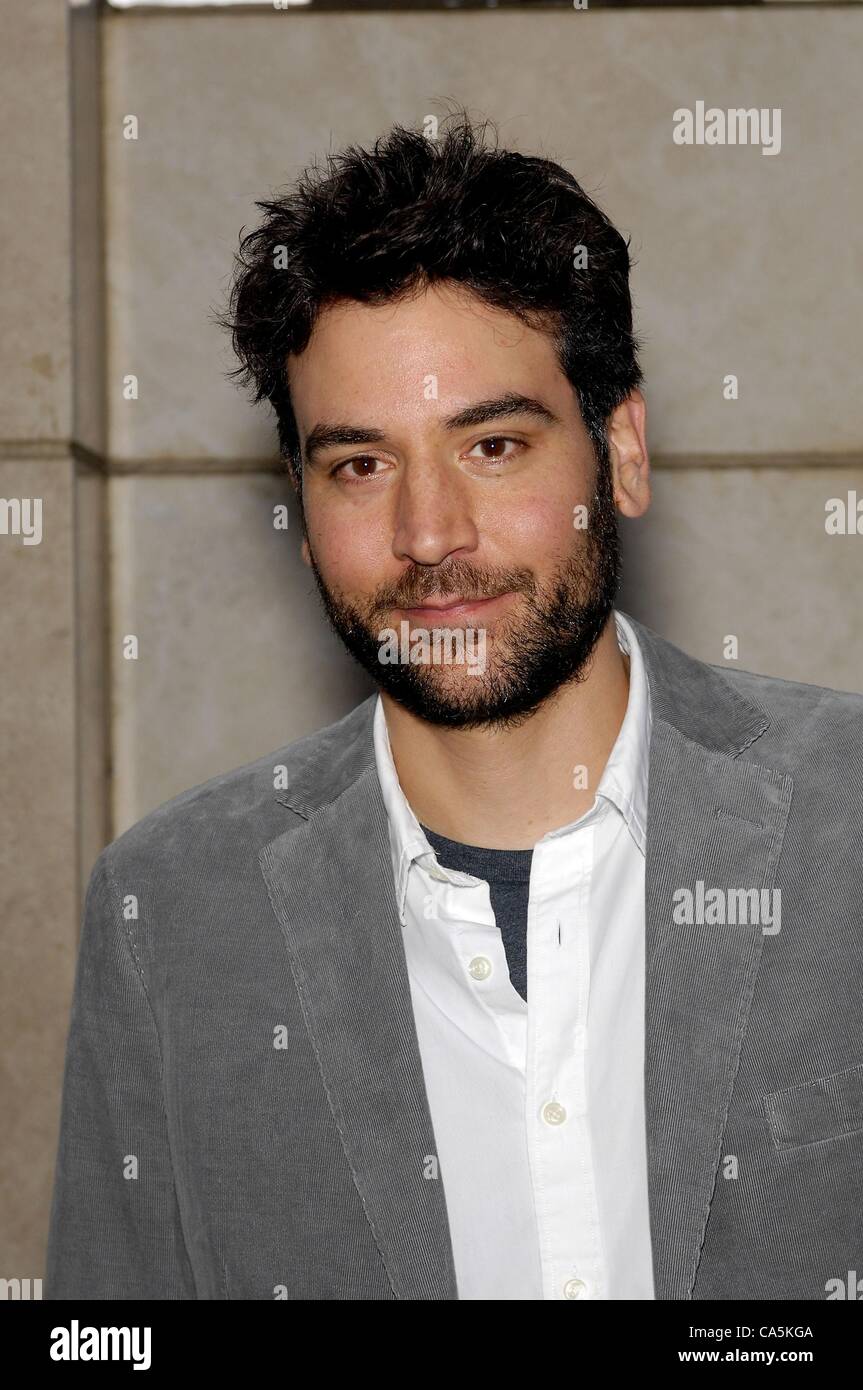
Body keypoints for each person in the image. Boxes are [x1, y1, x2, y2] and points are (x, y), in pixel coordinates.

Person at [45, 113, 863, 1301]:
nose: (428, 536)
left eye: (490, 444)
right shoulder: (166, 919)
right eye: (359, 465)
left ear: (619, 451)